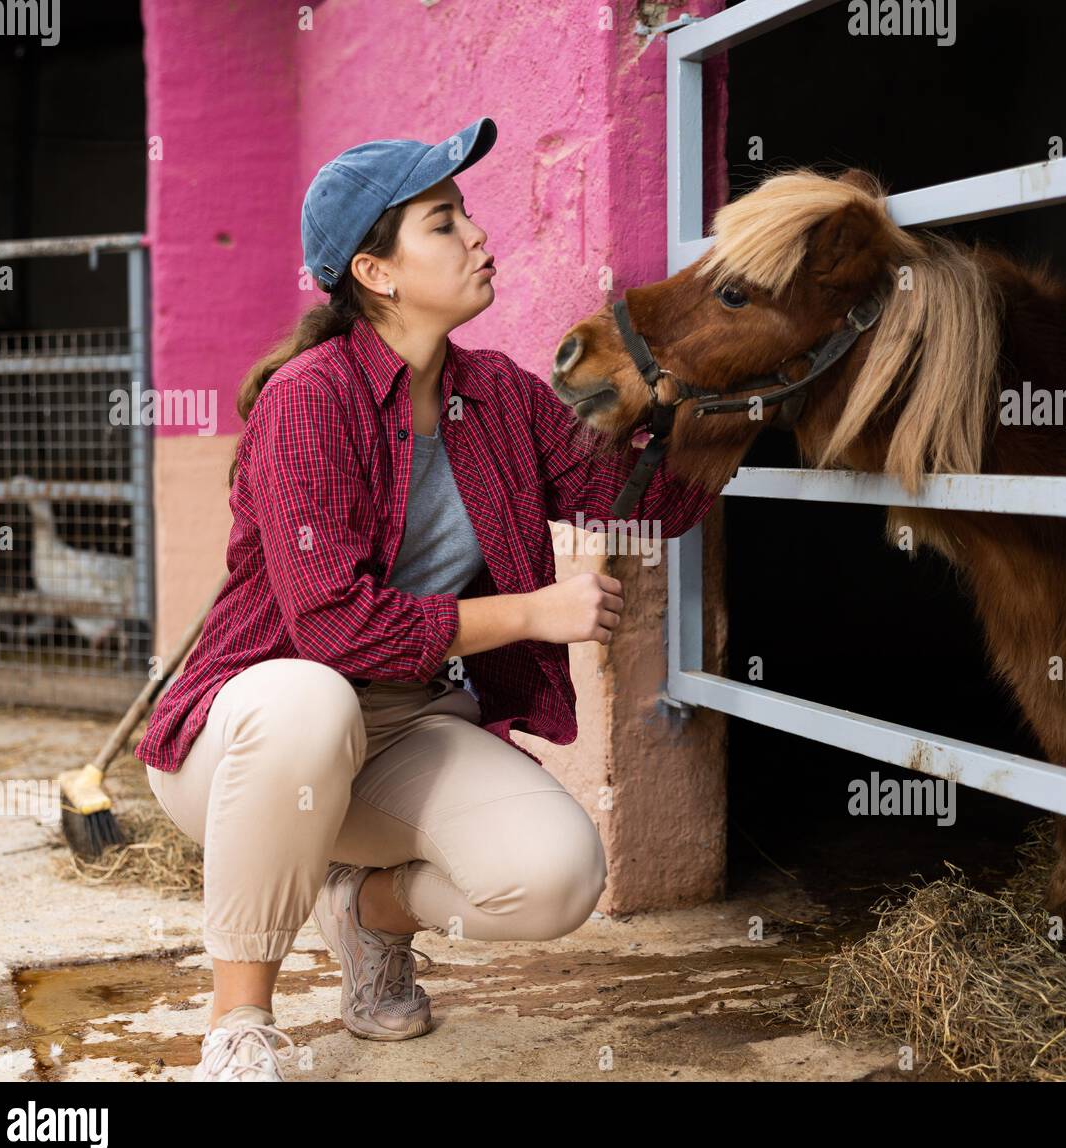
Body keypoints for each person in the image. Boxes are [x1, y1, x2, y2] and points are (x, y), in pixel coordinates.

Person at [134, 117, 720, 1081]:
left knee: (557, 875)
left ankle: (362, 913)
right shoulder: (307, 399)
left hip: (403, 728)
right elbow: (333, 626)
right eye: (444, 223)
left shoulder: (499, 394)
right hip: (248, 734)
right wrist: (533, 611)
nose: (479, 236)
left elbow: (641, 499)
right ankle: (240, 1023)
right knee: (310, 703)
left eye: (467, 216)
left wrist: (730, 393)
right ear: (378, 272)